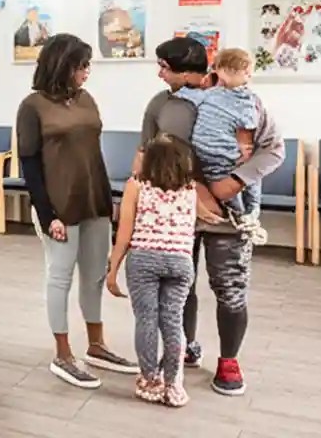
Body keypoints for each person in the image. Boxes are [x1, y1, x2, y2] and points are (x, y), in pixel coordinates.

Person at [138, 37, 283, 396]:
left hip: (228, 218)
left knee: (230, 290)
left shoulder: (249, 103)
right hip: (177, 217)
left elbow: (273, 151)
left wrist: (235, 182)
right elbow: (147, 159)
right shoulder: (160, 105)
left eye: (164, 67)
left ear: (190, 71)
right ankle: (183, 346)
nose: (158, 74)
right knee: (177, 287)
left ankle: (229, 360)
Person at [17, 33, 138, 389]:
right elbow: (30, 164)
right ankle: (63, 353)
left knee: (94, 275)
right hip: (58, 206)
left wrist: (109, 197)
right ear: (62, 65)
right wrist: (46, 214)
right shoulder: (32, 106)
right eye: (81, 65)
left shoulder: (86, 99)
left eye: (88, 65)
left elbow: (91, 152)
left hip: (94, 199)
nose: (87, 72)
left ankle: (97, 346)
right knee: (60, 277)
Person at [107, 135, 198, 408]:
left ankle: (149, 380)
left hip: (144, 259)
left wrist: (113, 269)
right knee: (173, 321)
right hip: (181, 262)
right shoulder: (191, 189)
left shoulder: (136, 186)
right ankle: (174, 384)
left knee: (146, 319)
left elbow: (124, 233)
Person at [173, 48, 267, 245]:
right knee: (246, 179)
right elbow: (249, 125)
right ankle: (247, 215)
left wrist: (198, 81)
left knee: (242, 179)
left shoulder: (210, 95)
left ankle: (244, 215)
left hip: (210, 153)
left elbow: (184, 93)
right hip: (222, 155)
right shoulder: (247, 100)